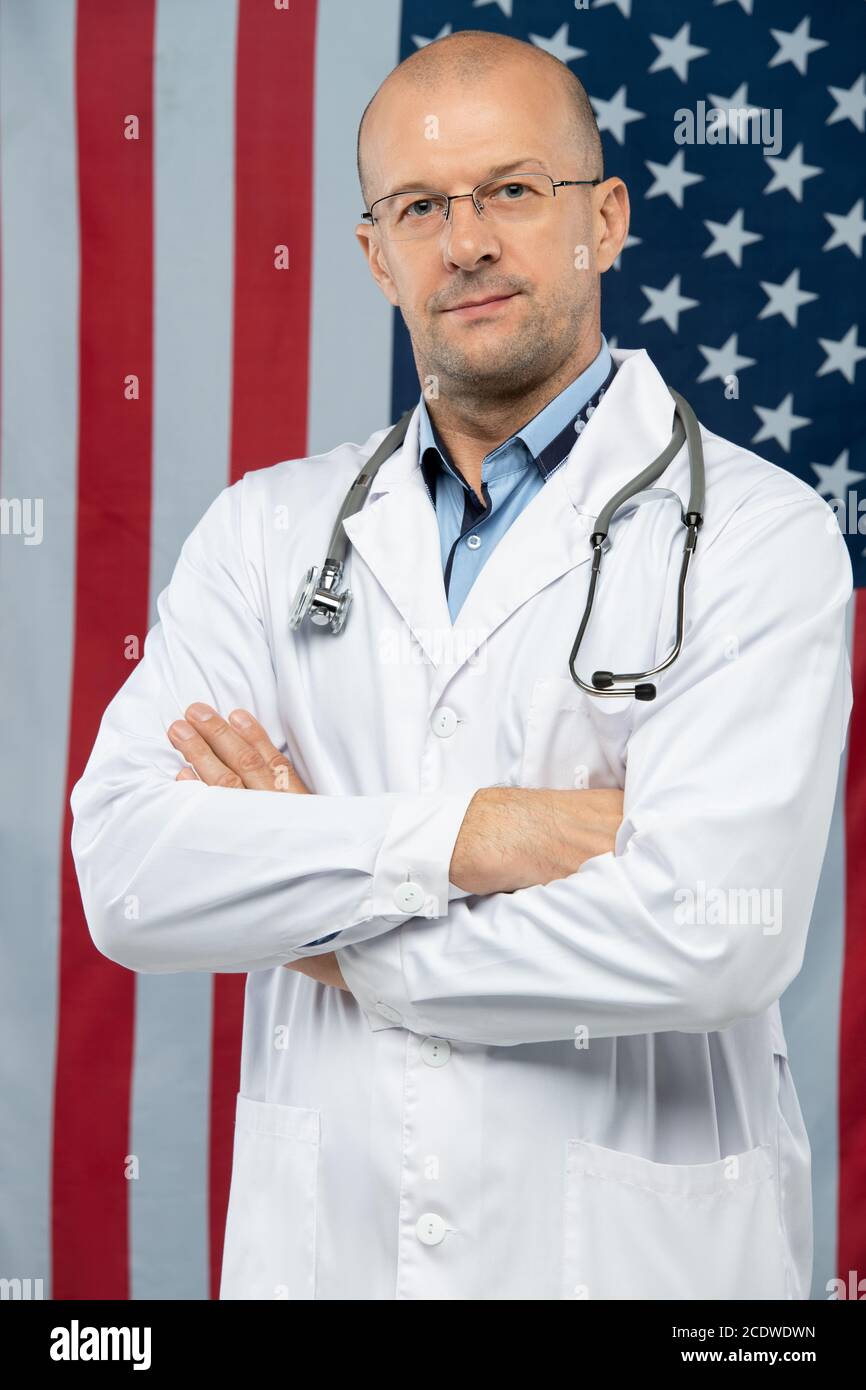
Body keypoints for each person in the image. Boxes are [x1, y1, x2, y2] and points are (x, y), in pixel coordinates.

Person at [70, 30, 853, 1300]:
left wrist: (324, 924)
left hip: (639, 1268)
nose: (467, 240)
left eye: (511, 190)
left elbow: (714, 932)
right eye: (421, 206)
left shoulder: (759, 534)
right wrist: (486, 835)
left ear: (602, 216)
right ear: (376, 253)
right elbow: (131, 873)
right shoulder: (265, 532)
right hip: (325, 1257)